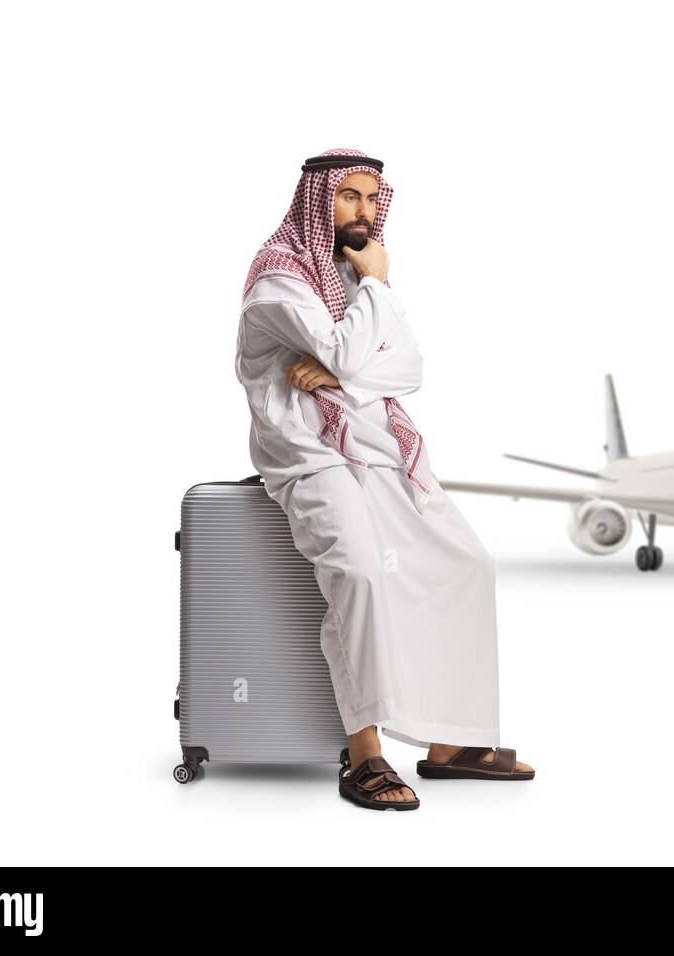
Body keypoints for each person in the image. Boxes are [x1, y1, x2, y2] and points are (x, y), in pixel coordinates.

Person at [234, 147, 533, 810]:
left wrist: (346, 366)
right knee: (363, 573)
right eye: (349, 198)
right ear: (319, 199)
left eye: (373, 199)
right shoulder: (279, 278)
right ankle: (365, 755)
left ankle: (454, 743)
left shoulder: (354, 274)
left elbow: (412, 368)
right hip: (311, 453)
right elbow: (353, 351)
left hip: (375, 444)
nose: (364, 212)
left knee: (467, 563)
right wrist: (374, 298)